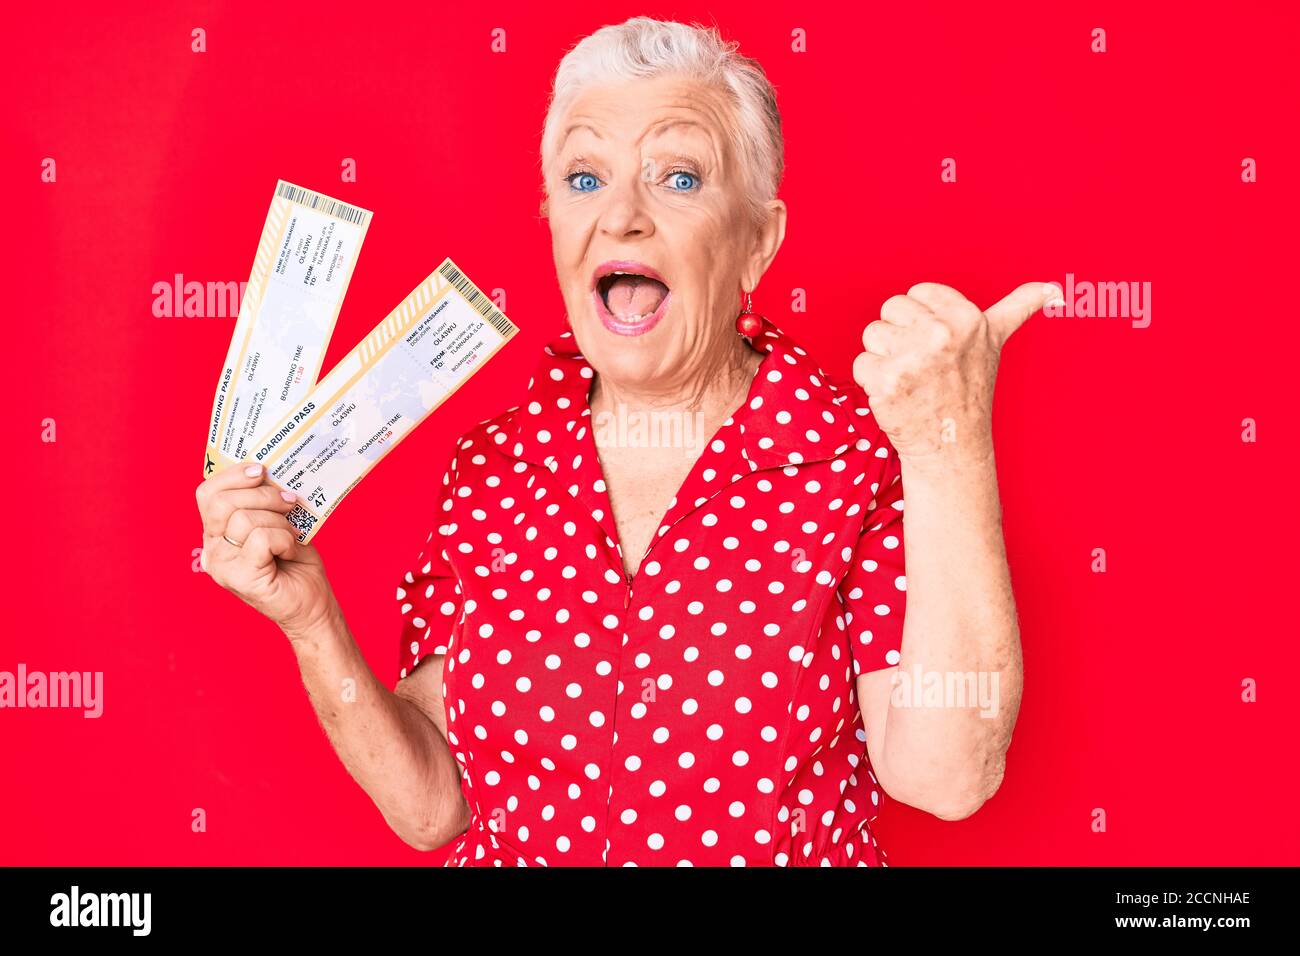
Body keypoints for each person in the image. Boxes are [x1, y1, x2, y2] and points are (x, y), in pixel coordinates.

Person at [196, 16, 1048, 866]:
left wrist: (949, 445)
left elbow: (947, 776)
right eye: (585, 177)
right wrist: (312, 622)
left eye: (678, 177)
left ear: (758, 241)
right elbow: (433, 808)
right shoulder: (493, 467)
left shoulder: (854, 461)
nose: (622, 217)